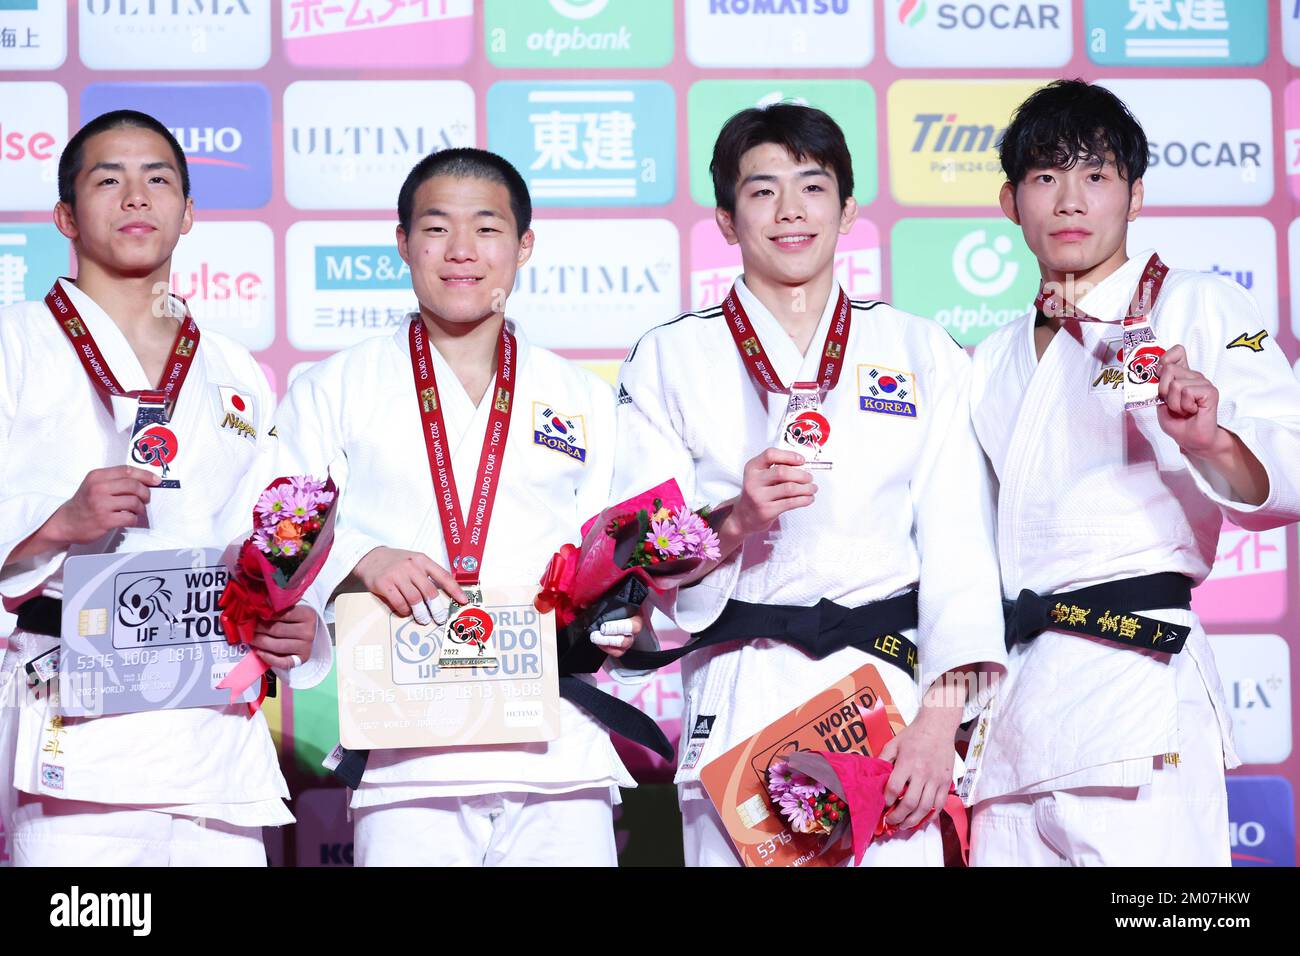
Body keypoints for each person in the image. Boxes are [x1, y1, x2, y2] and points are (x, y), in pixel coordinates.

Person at [610, 104, 1006, 866]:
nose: (790, 210)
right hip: (739, 700)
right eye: (762, 191)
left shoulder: (919, 349)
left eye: (812, 186)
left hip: (887, 714)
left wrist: (939, 723)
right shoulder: (669, 357)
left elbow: (961, 555)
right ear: (726, 221)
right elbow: (638, 555)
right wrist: (736, 522)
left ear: (848, 211)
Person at [964, 79, 1300, 866]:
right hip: (1011, 711)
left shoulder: (1198, 305)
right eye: (1046, 176)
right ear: (1011, 202)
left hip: (1135, 681)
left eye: (1096, 174)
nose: (1071, 199)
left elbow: (1290, 464)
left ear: (1136, 195)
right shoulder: (989, 360)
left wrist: (1211, 440)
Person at [275, 148, 639, 867]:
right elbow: (277, 527)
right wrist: (361, 557)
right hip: (406, 746)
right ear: (403, 242)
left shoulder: (583, 397)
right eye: (437, 228)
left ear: (524, 245)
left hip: (556, 746)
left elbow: (615, 549)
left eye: (487, 228)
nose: (462, 251)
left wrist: (620, 614)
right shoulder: (334, 387)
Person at [0, 110, 327, 866]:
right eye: (108, 180)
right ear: (64, 217)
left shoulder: (235, 369)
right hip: (76, 728)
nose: (136, 196)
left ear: (187, 214)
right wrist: (56, 523)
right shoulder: (15, 342)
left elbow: (272, 540)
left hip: (217, 734)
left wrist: (294, 619)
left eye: (157, 180)